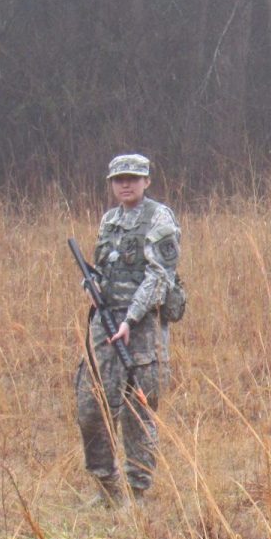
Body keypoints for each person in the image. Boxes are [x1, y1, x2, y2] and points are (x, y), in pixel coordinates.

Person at [74, 154, 181, 505]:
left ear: (147, 181)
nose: (125, 184)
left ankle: (138, 490)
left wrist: (129, 320)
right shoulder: (109, 221)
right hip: (106, 325)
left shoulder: (160, 218)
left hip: (143, 327)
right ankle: (106, 487)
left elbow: (159, 277)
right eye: (119, 178)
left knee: (138, 410)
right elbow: (103, 266)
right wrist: (89, 285)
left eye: (133, 178)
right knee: (92, 407)